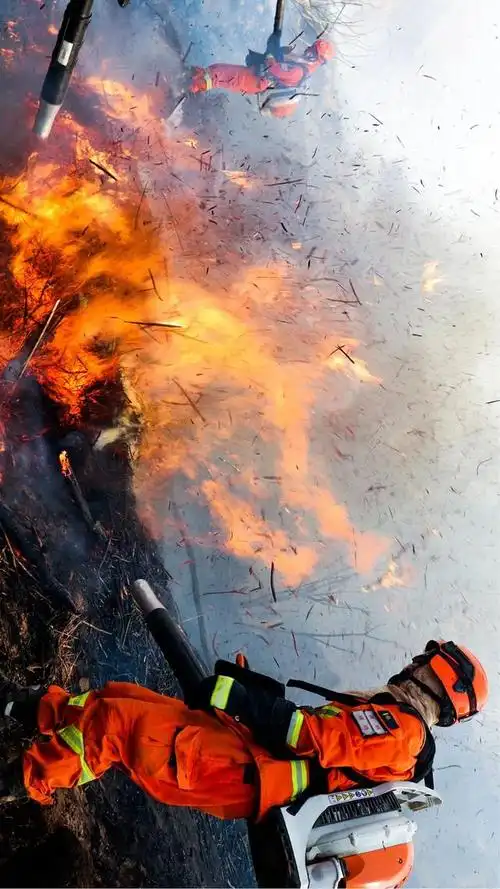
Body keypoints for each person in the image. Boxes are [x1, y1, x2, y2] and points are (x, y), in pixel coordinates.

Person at [0, 640, 487, 819]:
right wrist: (251, 694)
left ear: (436, 680)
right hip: (245, 750)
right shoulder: (394, 722)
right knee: (118, 698)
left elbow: (307, 736)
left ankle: (23, 780)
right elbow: (312, 730)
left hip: (243, 771)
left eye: (424, 663)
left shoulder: (401, 732)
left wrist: (242, 699)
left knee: (115, 727)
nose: (413, 663)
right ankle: (23, 708)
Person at [188, 38, 334, 119]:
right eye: (311, 48)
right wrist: (280, 52)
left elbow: (274, 69)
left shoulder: (299, 71)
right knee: (218, 69)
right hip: (255, 76)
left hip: (255, 81)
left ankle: (189, 87)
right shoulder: (301, 63)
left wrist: (271, 54)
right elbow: (281, 62)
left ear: (319, 60)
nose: (308, 51)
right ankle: (195, 76)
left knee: (218, 75)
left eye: (313, 52)